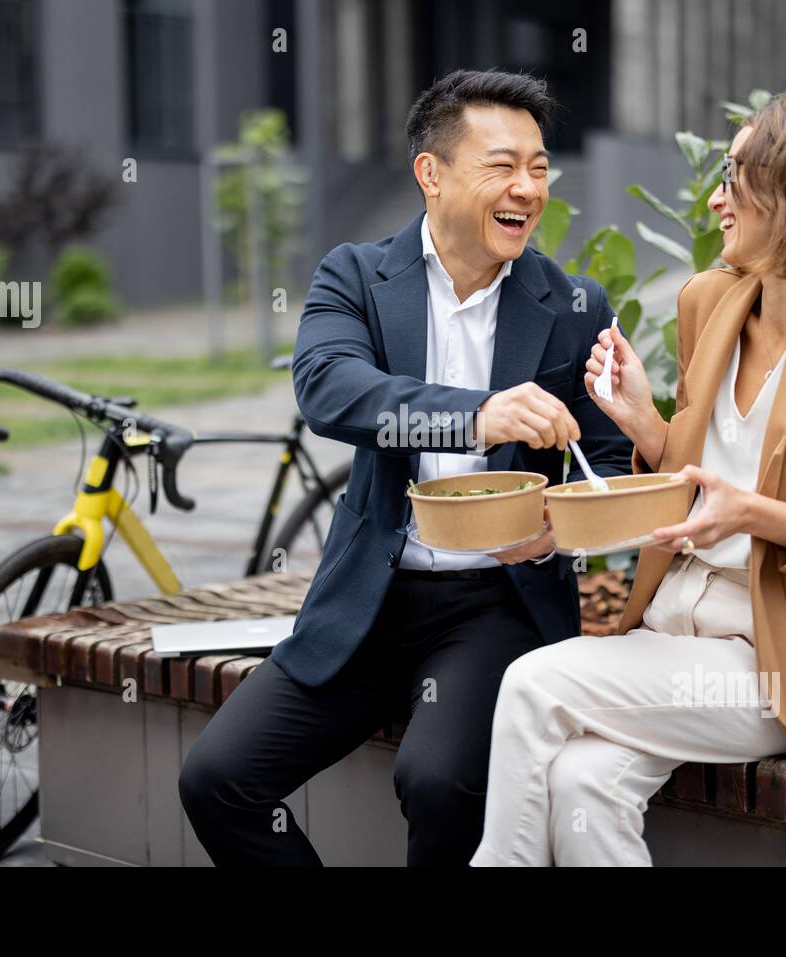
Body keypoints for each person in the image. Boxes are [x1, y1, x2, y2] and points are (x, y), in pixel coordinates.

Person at [470, 96, 786, 867]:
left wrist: (760, 515)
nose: (716, 196)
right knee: (584, 782)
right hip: (672, 632)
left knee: (532, 685)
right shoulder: (710, 302)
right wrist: (645, 425)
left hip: (778, 661)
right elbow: (697, 480)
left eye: (735, 173)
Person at [178, 69, 632, 866]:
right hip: (368, 598)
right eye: (502, 165)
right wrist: (476, 412)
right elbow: (328, 387)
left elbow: (606, 459)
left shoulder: (575, 305)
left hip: (494, 607)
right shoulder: (355, 276)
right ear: (433, 173)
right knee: (216, 777)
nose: (528, 187)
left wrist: (557, 532)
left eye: (538, 166)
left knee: (438, 781)